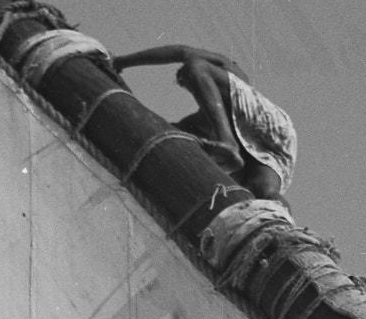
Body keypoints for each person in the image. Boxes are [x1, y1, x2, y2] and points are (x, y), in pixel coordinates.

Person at [106, 45, 297, 203]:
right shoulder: (207, 119)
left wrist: (121, 62)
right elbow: (165, 131)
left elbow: (182, 53)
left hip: (272, 125)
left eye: (185, 80)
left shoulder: (231, 74)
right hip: (273, 153)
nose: (189, 85)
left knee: (196, 66)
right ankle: (286, 231)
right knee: (261, 194)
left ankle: (228, 144)